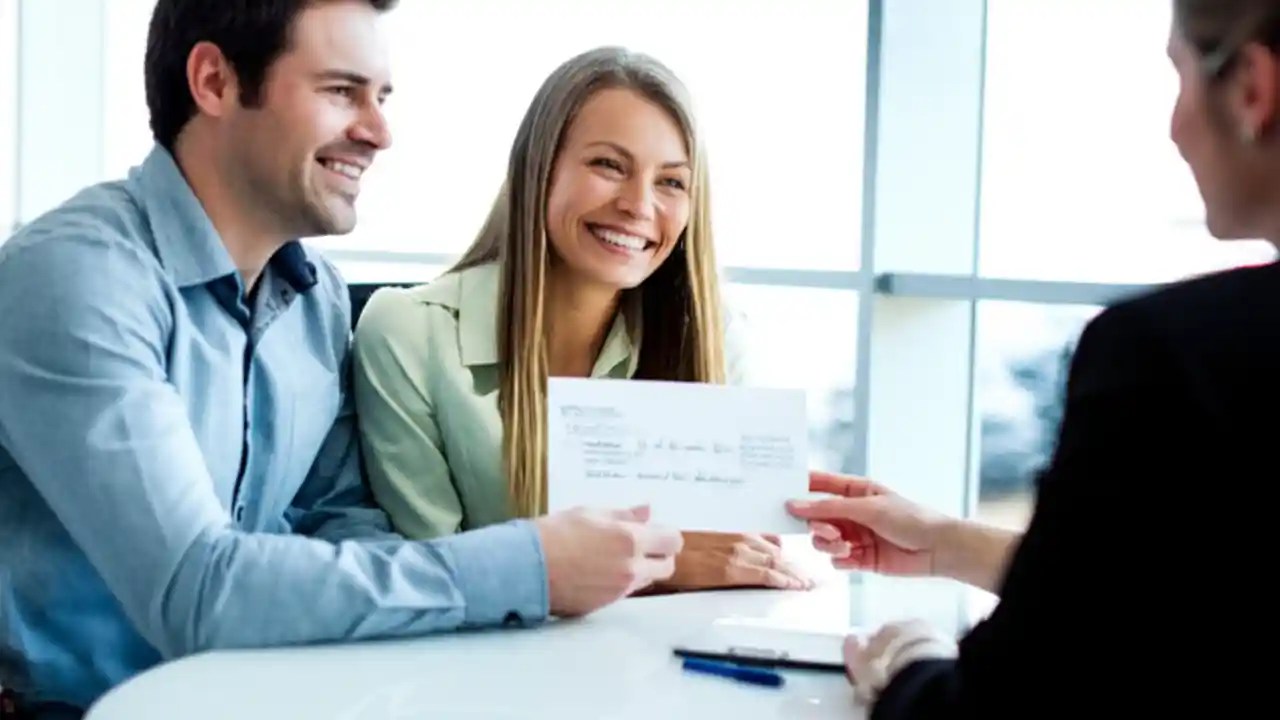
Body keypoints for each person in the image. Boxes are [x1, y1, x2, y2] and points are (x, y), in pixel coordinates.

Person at [0, 3, 683, 716]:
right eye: (340, 92)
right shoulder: (78, 278)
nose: (379, 132)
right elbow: (197, 590)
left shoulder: (315, 299)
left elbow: (341, 521)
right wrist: (531, 565)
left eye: (381, 97)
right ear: (214, 81)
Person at [788, 1, 1279, 715]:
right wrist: (947, 544)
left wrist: (906, 661)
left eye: (1179, 77)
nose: (1174, 128)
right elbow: (1192, 598)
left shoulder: (1169, 356)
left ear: (1252, 90)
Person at [351, 46, 811, 593]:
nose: (639, 205)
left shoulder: (718, 340)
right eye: (609, 166)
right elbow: (429, 577)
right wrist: (663, 568)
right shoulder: (409, 333)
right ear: (539, 169)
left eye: (671, 182)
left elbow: (740, 560)